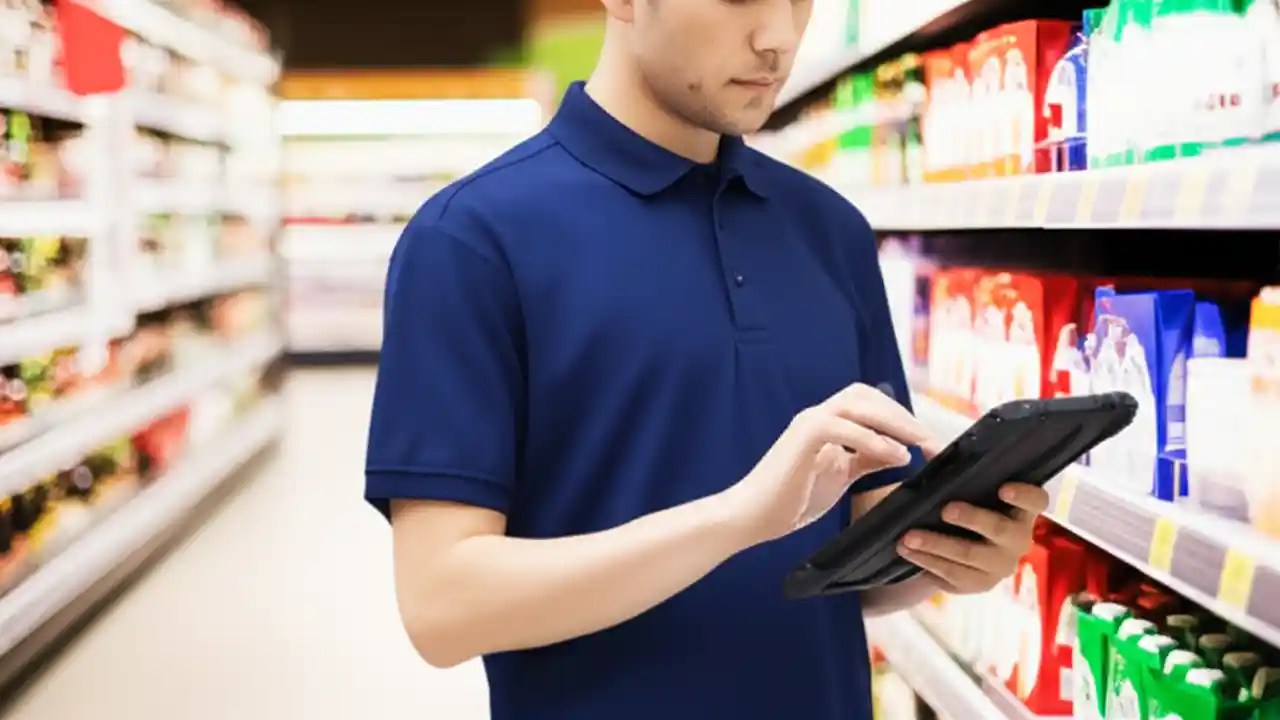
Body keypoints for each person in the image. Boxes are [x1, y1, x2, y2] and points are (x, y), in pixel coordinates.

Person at [365, 1, 1050, 718]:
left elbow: (861, 562)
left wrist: (955, 556)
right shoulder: (471, 240)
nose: (778, 37)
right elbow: (442, 608)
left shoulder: (831, 230)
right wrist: (735, 520)